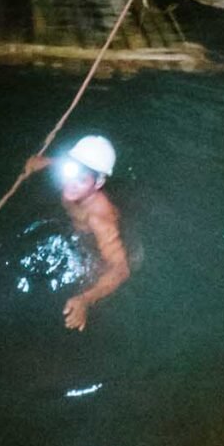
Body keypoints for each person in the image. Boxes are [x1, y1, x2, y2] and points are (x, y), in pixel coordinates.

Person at [26, 135, 130, 332]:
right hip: (77, 235)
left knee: (82, 291)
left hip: (97, 251)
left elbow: (121, 269)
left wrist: (86, 299)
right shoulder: (72, 178)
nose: (71, 183)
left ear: (98, 183)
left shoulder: (99, 219)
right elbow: (68, 165)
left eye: (82, 180)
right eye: (70, 172)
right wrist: (43, 162)